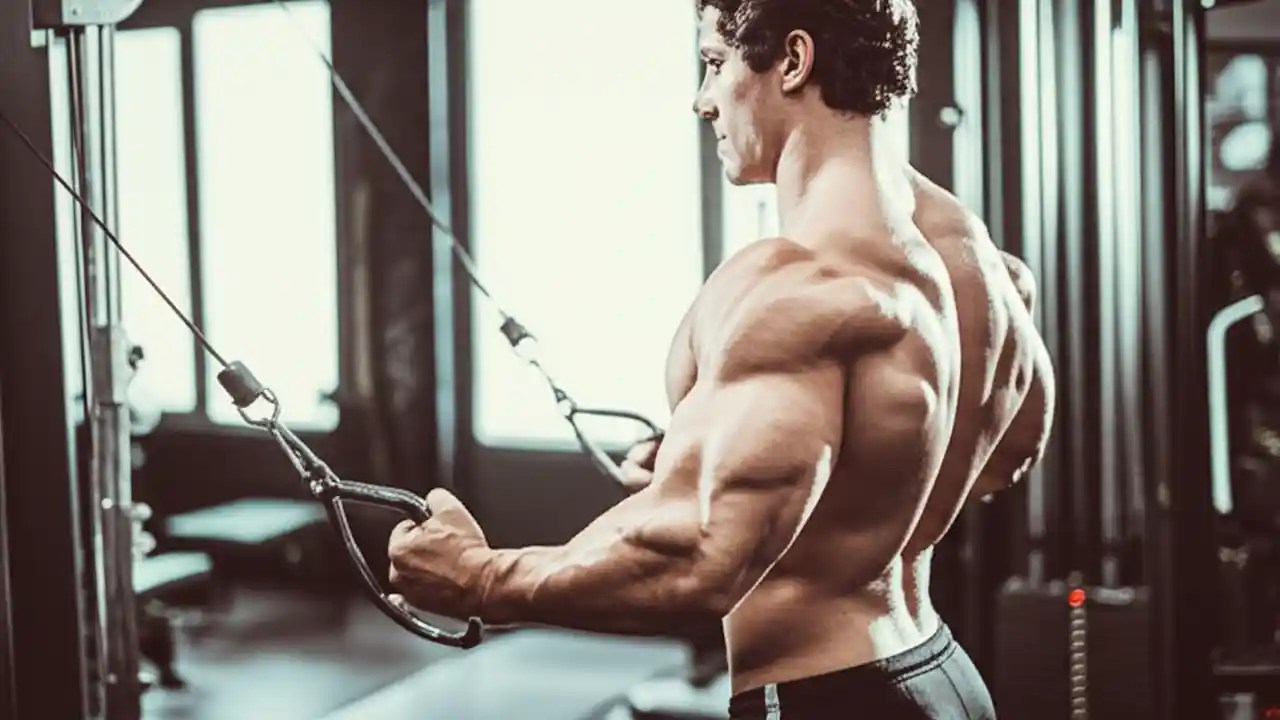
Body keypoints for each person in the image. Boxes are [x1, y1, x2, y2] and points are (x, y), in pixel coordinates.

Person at [386, 1, 1055, 717]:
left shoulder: (794, 283)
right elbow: (1003, 453)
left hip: (824, 696)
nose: (702, 101)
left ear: (793, 62)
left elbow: (699, 560)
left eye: (714, 63)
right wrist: (767, 453)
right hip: (939, 672)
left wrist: (480, 578)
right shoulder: (978, 262)